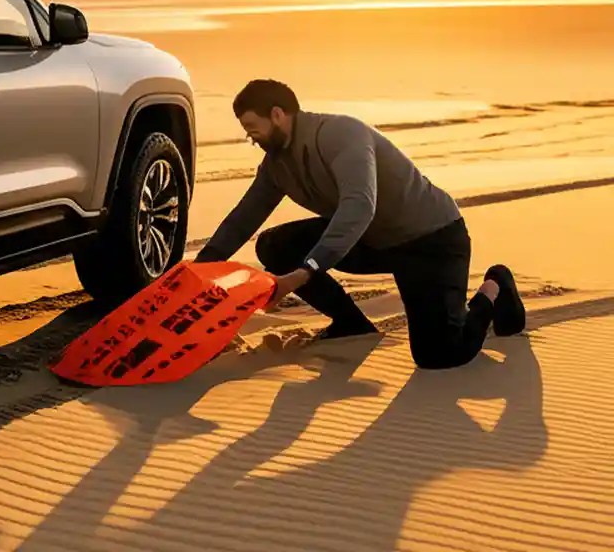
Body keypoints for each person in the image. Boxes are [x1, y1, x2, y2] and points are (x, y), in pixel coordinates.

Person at [194, 79, 526, 369]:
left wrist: (305, 272)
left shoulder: (341, 134)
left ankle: (494, 287)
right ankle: (350, 323)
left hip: (430, 241)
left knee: (439, 355)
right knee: (274, 246)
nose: (251, 137)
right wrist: (199, 269)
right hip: (374, 243)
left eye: (253, 127)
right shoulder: (276, 165)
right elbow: (244, 218)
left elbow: (359, 206)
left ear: (278, 114)